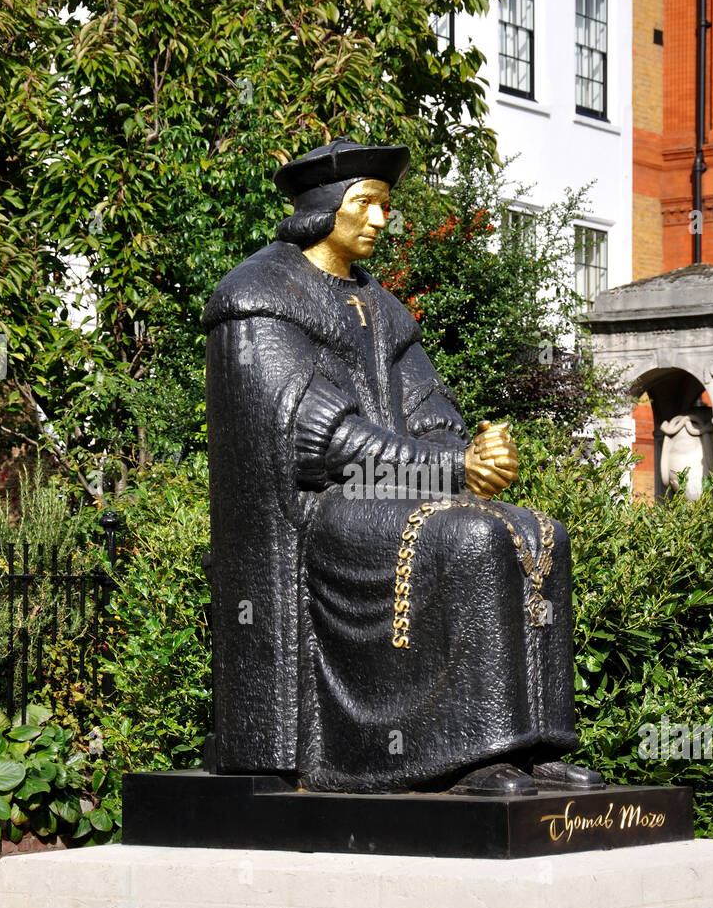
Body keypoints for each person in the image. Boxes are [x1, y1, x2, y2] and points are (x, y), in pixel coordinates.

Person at [203, 138, 601, 794]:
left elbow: (432, 412)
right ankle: (467, 755)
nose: (380, 219)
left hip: (388, 497)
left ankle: (533, 745)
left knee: (537, 532)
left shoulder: (383, 310)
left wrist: (473, 458)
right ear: (322, 209)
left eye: (384, 205)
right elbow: (323, 441)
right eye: (366, 203)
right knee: (470, 537)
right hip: (311, 513)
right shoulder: (256, 299)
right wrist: (451, 472)